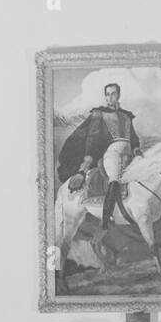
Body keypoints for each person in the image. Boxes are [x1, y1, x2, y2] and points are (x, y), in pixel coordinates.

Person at [56, 83, 142, 228]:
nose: (110, 97)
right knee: (114, 178)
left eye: (113, 94)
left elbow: (133, 138)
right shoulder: (99, 113)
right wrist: (88, 158)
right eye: (107, 94)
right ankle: (107, 218)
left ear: (118, 95)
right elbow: (93, 137)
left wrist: (137, 148)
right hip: (111, 153)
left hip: (129, 154)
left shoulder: (126, 116)